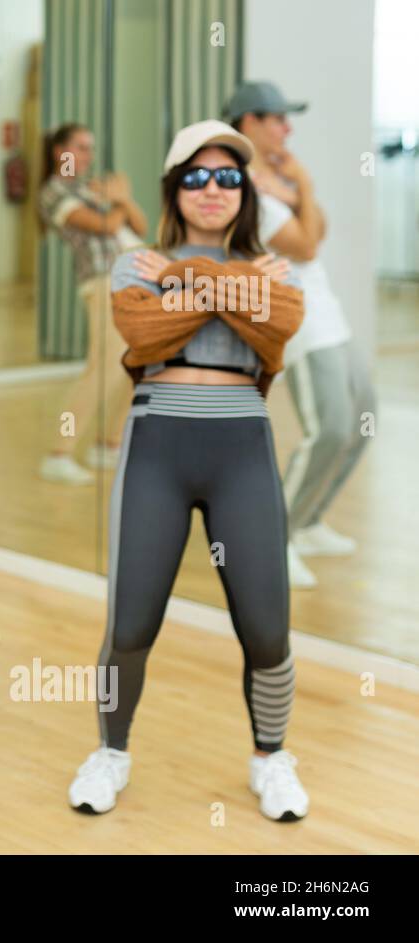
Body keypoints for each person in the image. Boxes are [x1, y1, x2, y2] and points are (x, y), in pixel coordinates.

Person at [66, 120, 310, 821]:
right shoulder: (132, 264)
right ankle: (111, 752)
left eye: (229, 177)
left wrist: (180, 285)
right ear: (176, 187)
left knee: (267, 628)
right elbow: (143, 334)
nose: (213, 189)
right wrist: (234, 291)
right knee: (131, 623)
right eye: (197, 176)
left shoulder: (275, 272)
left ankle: (271, 757)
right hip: (157, 445)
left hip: (243, 449)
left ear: (245, 191)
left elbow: (282, 320)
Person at [225, 81, 376, 589]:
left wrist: (294, 189)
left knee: (359, 419)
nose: (288, 129)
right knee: (329, 428)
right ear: (249, 122)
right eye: (279, 119)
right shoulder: (240, 183)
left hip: (329, 313)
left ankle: (308, 521)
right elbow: (308, 246)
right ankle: (273, 541)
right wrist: (304, 187)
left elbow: (319, 228)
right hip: (301, 321)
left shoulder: (274, 178)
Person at [36, 123, 149, 485]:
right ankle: (59, 452)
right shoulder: (54, 191)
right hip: (104, 282)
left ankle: (109, 444)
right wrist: (120, 197)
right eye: (81, 148)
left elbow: (139, 224)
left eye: (91, 148)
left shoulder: (90, 187)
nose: (88, 156)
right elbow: (104, 224)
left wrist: (123, 198)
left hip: (135, 277)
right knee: (103, 367)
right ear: (60, 152)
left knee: (138, 364)